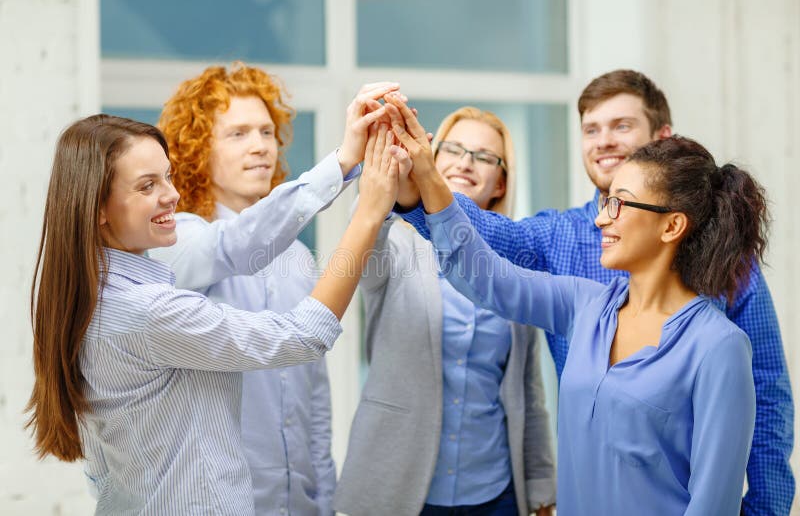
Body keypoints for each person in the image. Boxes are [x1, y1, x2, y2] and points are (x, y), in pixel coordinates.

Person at [393, 70, 794, 515]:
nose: (602, 219)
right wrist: (426, 182)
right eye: (606, 203)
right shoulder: (585, 304)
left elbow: (715, 500)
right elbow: (483, 274)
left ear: (673, 225)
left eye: (619, 204)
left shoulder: (719, 346)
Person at [25, 114, 401, 514]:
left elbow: (101, 474)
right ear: (97, 207)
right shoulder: (150, 309)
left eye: (167, 177)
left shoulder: (91, 299)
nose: (171, 195)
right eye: (147, 185)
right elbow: (304, 335)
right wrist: (368, 215)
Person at [148, 63, 400, 515]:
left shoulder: (298, 259)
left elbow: (313, 400)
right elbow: (237, 244)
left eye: (266, 132)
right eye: (238, 134)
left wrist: (323, 501)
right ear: (196, 150)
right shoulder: (177, 244)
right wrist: (344, 160)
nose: (260, 147)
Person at [334, 107, 555, 516]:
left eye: (484, 156)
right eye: (453, 149)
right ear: (431, 159)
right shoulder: (398, 245)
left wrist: (542, 489)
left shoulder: (516, 265)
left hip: (495, 493)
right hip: (401, 488)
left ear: (502, 181)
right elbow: (360, 258)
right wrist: (385, 191)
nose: (466, 162)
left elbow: (529, 393)